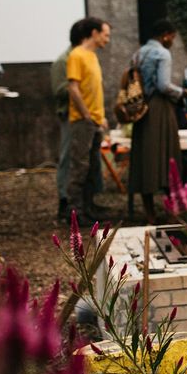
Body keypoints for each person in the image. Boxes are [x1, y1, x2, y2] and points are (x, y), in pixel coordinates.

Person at [127, 20, 187, 221]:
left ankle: (149, 212)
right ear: (165, 35)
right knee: (167, 155)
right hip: (159, 109)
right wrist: (182, 92)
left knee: (146, 157)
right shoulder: (162, 53)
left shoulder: (138, 53)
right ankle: (172, 210)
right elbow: (163, 86)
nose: (172, 41)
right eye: (172, 37)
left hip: (141, 109)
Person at [67, 17, 112, 223]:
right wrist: (86, 114)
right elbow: (73, 87)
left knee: (92, 166)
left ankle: (89, 207)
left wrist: (100, 118)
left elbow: (94, 90)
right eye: (105, 34)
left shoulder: (92, 56)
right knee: (80, 166)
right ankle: (74, 212)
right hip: (83, 121)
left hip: (95, 121)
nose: (107, 39)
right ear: (94, 33)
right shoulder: (76, 55)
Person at [52, 20, 84, 221]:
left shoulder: (81, 57)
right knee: (67, 158)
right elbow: (59, 90)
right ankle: (64, 201)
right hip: (69, 116)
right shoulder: (63, 61)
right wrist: (78, 87)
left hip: (81, 115)